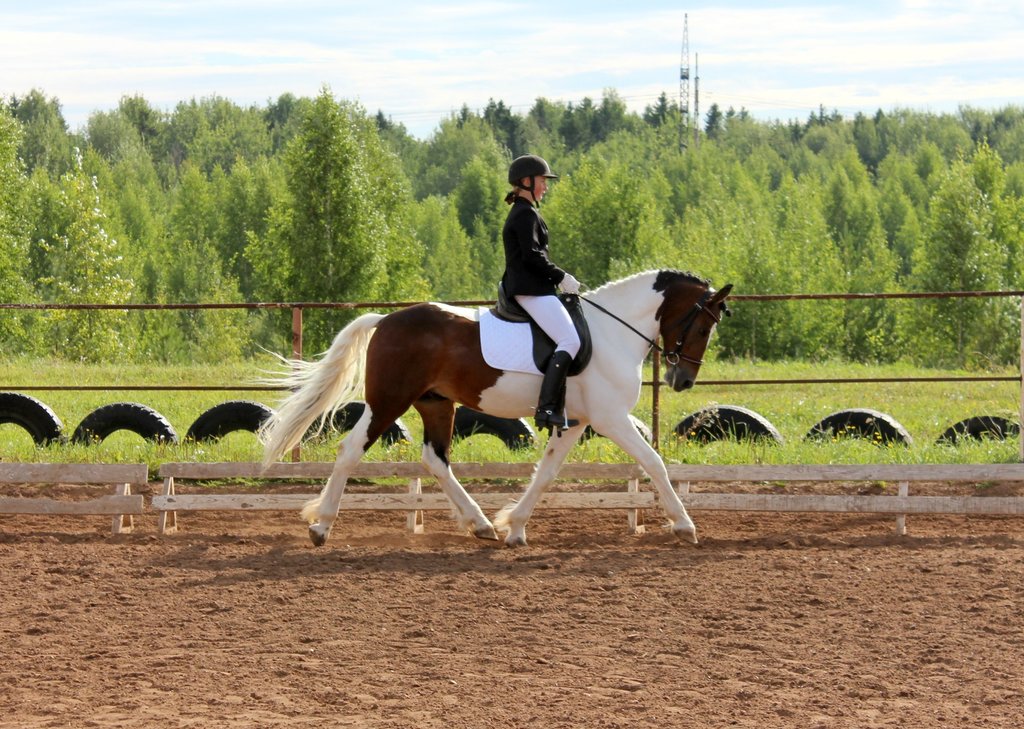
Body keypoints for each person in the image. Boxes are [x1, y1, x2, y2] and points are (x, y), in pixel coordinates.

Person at [501, 154, 582, 434]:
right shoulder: (525, 214)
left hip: (534, 289)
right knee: (570, 340)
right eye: (542, 182)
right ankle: (547, 407)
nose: (545, 188)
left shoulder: (526, 212)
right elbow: (533, 257)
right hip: (530, 290)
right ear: (526, 181)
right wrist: (561, 277)